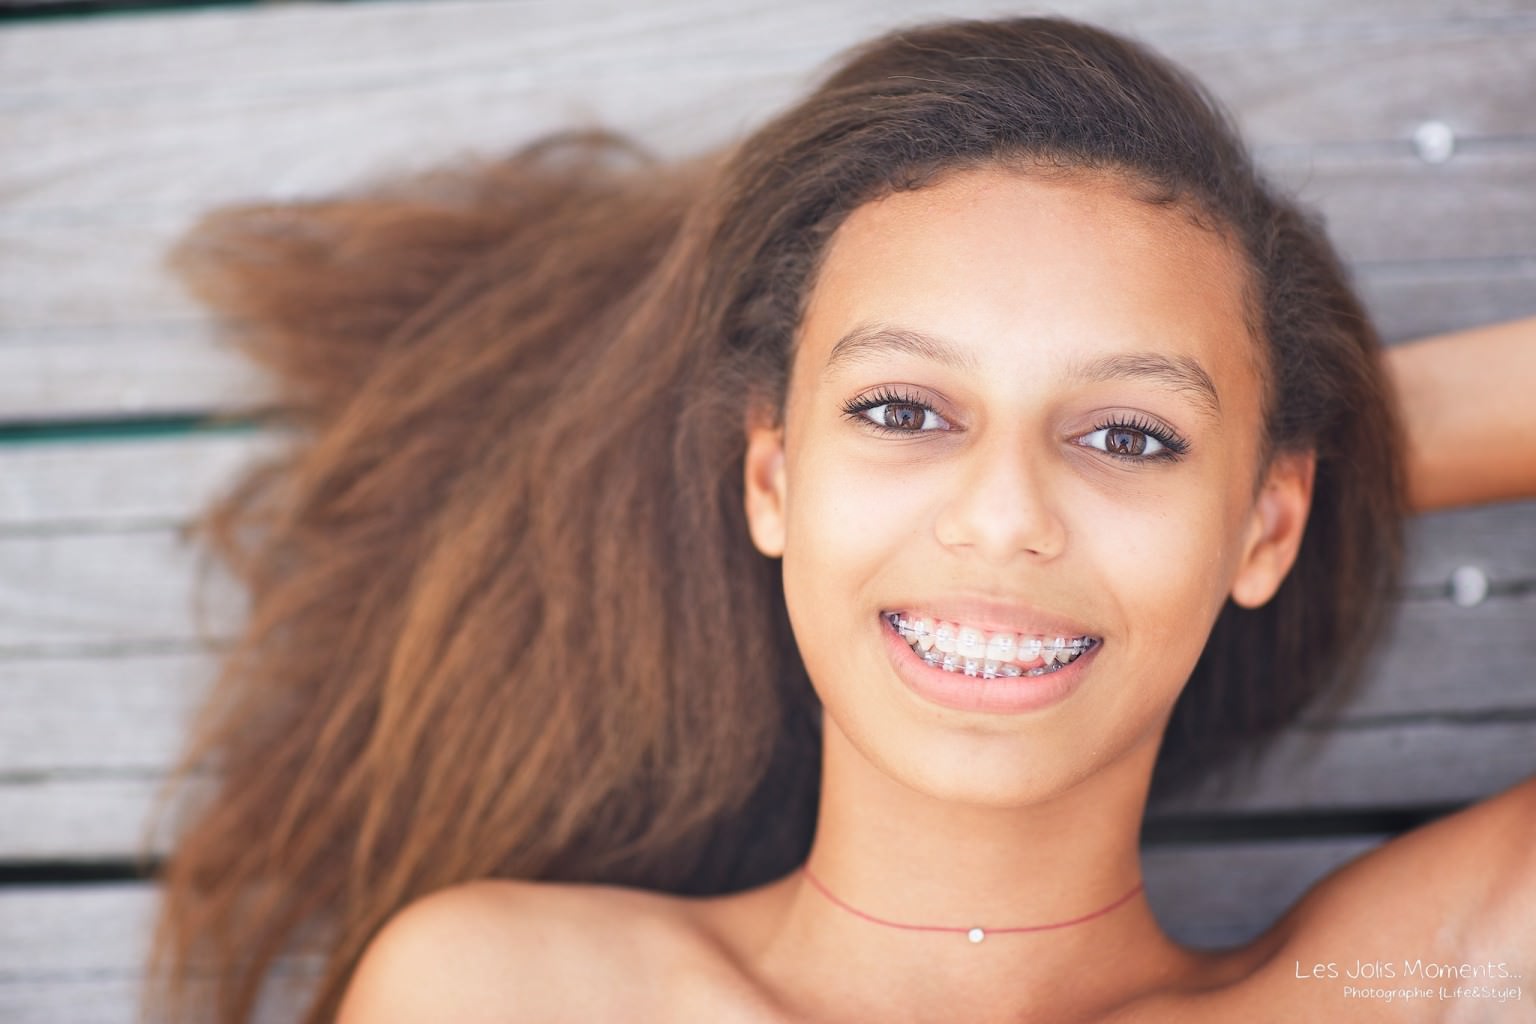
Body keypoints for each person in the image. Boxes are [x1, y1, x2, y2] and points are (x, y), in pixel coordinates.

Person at [143, 15, 1536, 1023]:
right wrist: (1224, 470)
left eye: (1126, 434)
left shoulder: (1414, 989)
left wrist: (1314, 468)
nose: (1002, 516)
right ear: (771, 479)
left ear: (1263, 535)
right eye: (906, 413)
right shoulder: (516, 993)